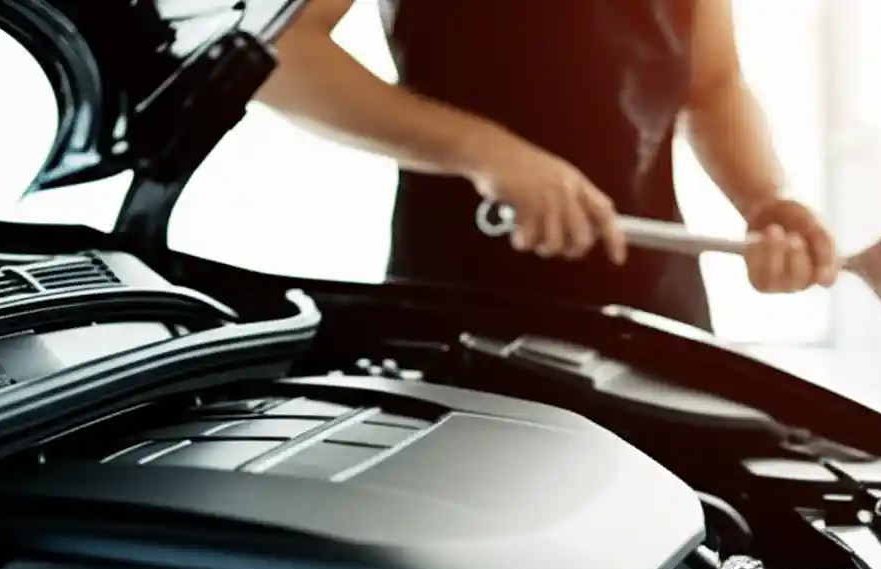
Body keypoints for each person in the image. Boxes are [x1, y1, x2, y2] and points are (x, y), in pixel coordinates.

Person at [257, 0, 838, 331]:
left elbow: (713, 83)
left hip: (660, 313)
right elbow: (281, 51)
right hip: (462, 313)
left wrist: (763, 197)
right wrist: (483, 149)